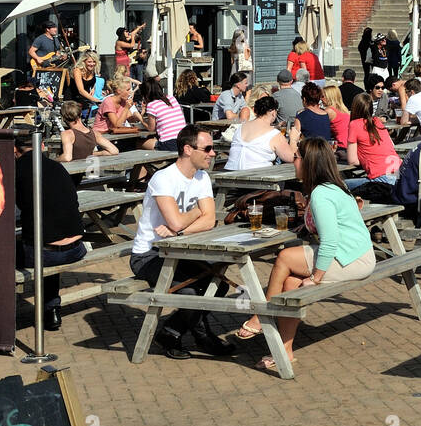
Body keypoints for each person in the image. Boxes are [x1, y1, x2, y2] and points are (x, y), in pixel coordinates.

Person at [234, 137, 374, 370]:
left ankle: (261, 315)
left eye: (296, 157)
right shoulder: (331, 187)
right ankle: (284, 352)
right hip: (354, 254)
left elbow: (330, 240)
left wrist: (315, 277)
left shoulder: (322, 194)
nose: (293, 161)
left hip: (352, 258)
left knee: (285, 257)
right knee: (289, 283)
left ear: (309, 163)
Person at [129, 126, 233, 359]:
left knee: (218, 283)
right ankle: (199, 335)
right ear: (188, 149)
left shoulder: (202, 176)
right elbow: (180, 220)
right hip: (149, 254)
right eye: (207, 148)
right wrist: (196, 211)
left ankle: (171, 331)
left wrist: (179, 232)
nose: (213, 153)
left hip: (179, 248)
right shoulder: (163, 178)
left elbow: (209, 221)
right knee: (191, 292)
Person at [13, 127, 87, 332]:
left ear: (14, 151)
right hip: (77, 247)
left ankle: (1, 312)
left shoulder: (17, 171)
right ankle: (51, 311)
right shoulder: (57, 167)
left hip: (47, 253)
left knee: (1, 253)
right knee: (45, 241)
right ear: (42, 145)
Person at [345, 93, 402, 191]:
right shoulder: (377, 121)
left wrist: (367, 159)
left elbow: (352, 160)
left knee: (338, 186)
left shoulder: (354, 124)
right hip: (398, 173)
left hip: (382, 180)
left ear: (354, 108)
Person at [226, 95, 298, 170]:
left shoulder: (240, 128)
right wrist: (293, 140)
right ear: (273, 112)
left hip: (230, 171)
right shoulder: (274, 134)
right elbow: (291, 158)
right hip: (256, 176)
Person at [141, 78, 187, 152]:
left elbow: (151, 129)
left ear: (145, 94)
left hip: (169, 143)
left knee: (139, 143)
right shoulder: (171, 99)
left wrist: (141, 119)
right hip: (185, 140)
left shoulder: (151, 105)